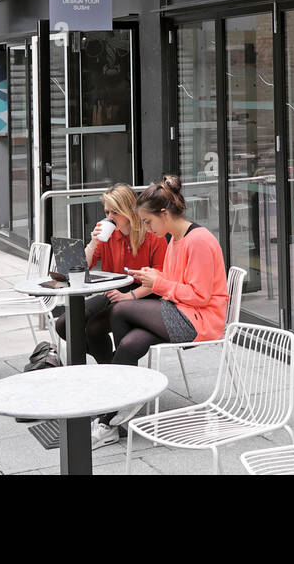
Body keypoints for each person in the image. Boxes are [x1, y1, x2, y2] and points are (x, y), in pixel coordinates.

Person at [91, 176, 228, 448]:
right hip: (179, 312)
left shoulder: (198, 240)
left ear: (164, 214)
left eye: (149, 222)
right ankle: (125, 401)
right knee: (130, 343)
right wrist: (156, 276)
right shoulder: (177, 239)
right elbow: (176, 283)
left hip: (199, 321)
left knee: (120, 311)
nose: (147, 228)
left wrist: (159, 283)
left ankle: (115, 407)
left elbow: (200, 296)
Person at [51, 184, 167, 367]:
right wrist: (93, 242)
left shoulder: (153, 236)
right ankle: (111, 365)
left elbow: (160, 278)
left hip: (145, 294)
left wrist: (129, 296)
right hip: (114, 291)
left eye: (115, 213)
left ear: (129, 211)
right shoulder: (108, 235)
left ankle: (113, 369)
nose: (109, 218)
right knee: (65, 324)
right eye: (107, 213)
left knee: (94, 328)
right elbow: (81, 267)